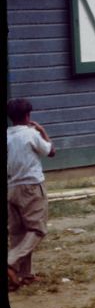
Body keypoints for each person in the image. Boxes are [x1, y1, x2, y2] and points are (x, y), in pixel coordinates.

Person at [7, 98, 56, 291]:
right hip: (31, 186)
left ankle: (22, 275)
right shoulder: (31, 133)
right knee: (37, 229)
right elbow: (51, 151)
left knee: (18, 232)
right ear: (28, 116)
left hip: (11, 187)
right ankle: (10, 262)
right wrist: (42, 131)